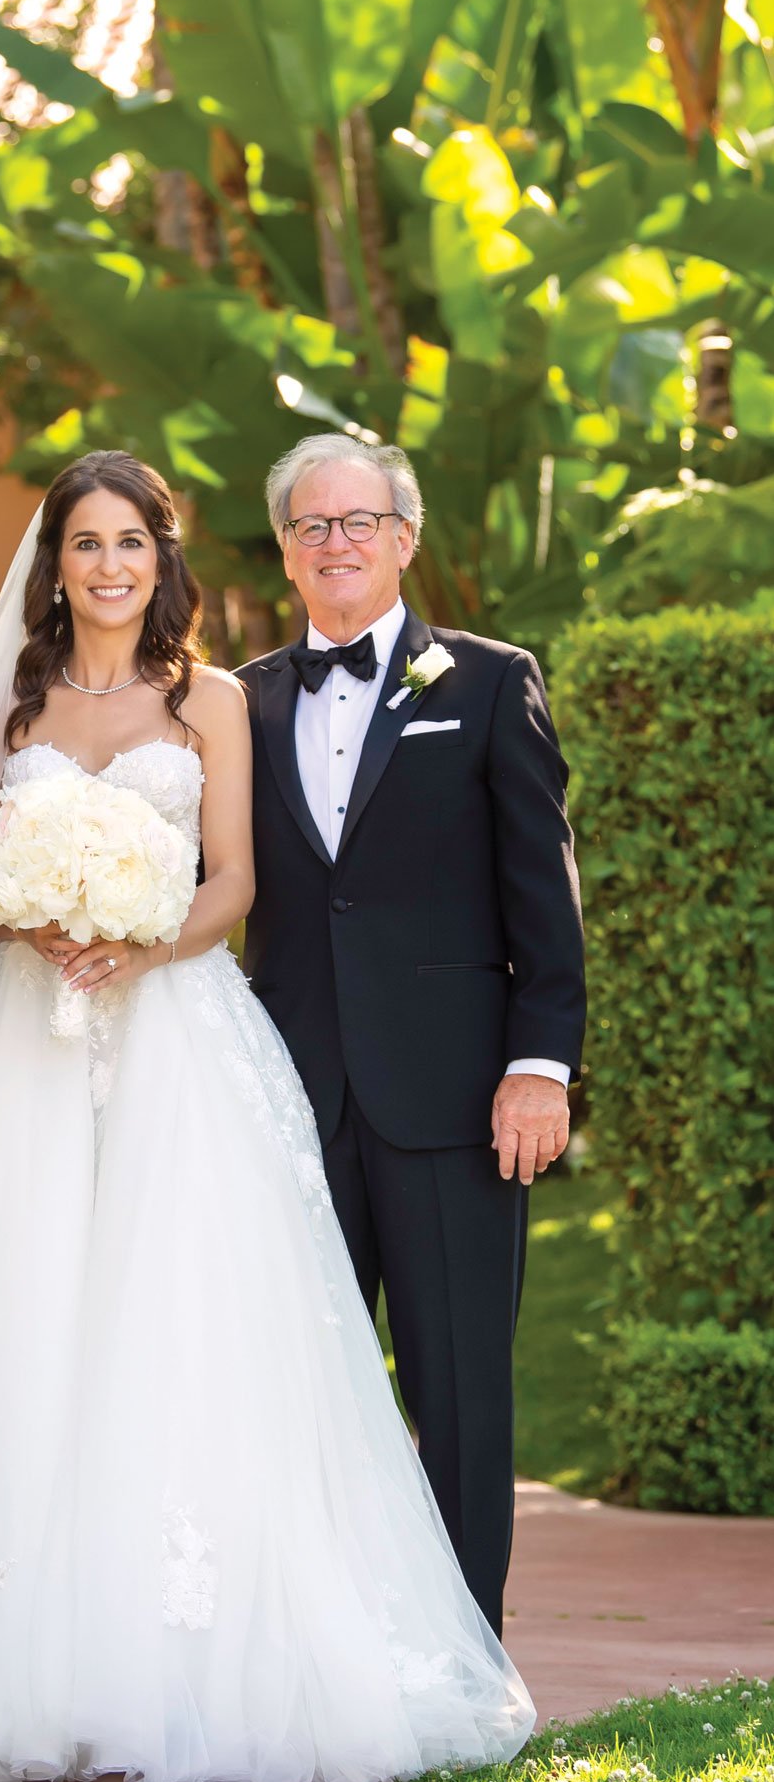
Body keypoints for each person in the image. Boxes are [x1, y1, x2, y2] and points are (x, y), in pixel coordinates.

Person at [0, 449, 534, 1782]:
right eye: (86, 541)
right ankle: (1, 1665)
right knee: (18, 1328)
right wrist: (26, 916)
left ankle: (175, 1664)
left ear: (165, 558)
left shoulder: (212, 697)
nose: (109, 564)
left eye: (132, 542)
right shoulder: (8, 701)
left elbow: (234, 881)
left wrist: (141, 939)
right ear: (54, 562)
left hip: (175, 1037)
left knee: (176, 1335)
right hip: (24, 1061)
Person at [236, 433, 586, 1636]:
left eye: (358, 520)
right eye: (311, 525)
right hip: (290, 1099)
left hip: (454, 1100)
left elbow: (544, 889)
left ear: (404, 536)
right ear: (286, 549)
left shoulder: (489, 680)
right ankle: (320, 1652)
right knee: (301, 1390)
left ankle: (465, 1656)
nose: (335, 542)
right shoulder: (241, 699)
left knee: (460, 1391)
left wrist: (539, 1067)